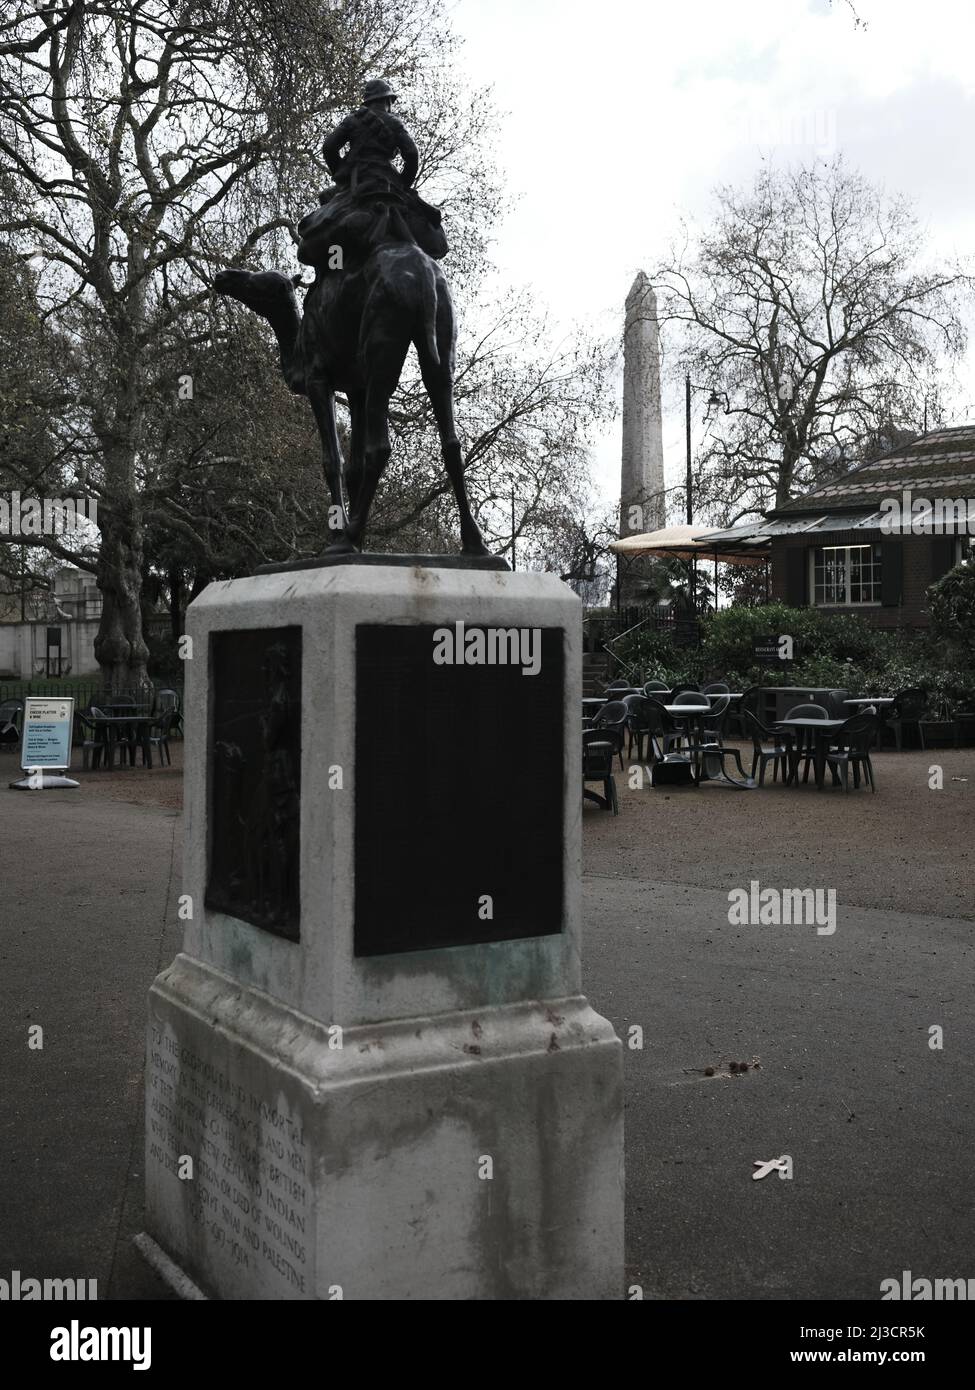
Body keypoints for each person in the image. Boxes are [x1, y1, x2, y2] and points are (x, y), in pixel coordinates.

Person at [297, 79, 448, 265]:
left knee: (317, 227)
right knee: (432, 231)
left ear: (368, 101)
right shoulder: (395, 123)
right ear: (387, 101)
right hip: (390, 184)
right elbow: (411, 154)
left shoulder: (352, 121)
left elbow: (329, 147)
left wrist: (341, 174)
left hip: (357, 183)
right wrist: (403, 184)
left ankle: (335, 265)